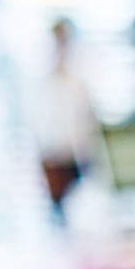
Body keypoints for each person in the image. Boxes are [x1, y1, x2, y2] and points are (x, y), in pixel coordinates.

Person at [34, 17, 97, 223]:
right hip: (51, 158)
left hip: (76, 160)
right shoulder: (41, 84)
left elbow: (87, 126)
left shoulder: (80, 84)